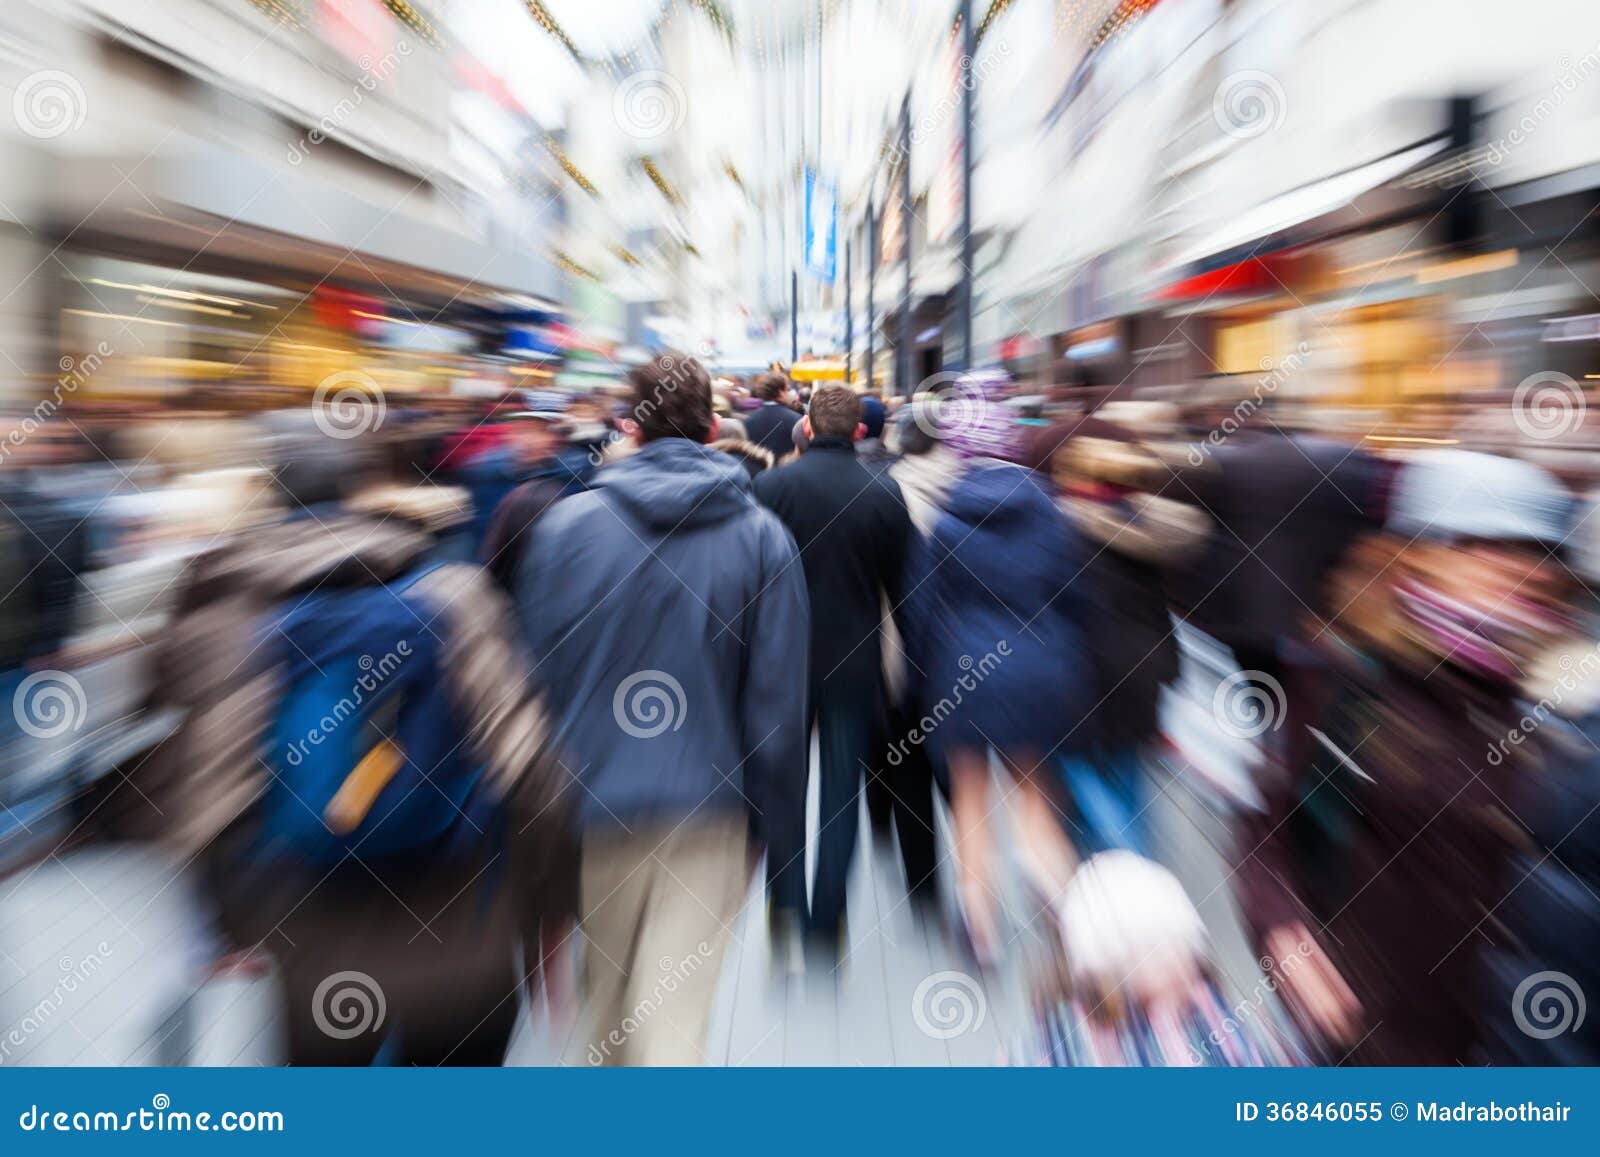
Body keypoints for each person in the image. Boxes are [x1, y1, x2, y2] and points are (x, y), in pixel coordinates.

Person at [151, 411, 572, 1065]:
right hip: (464, 946)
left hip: (317, 951)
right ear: (361, 488)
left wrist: (230, 926)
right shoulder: (455, 597)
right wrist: (546, 914)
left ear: (273, 497)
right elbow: (532, 773)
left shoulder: (242, 615)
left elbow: (208, 803)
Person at [514, 354, 810, 1064]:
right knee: (672, 1026)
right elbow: (778, 704)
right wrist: (773, 826)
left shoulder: (564, 529)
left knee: (605, 1016)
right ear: (712, 427)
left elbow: (532, 682)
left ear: (629, 428)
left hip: (589, 803)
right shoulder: (763, 537)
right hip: (710, 809)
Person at [1237, 449, 1573, 1064]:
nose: (1506, 568)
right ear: (1417, 555)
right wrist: (1285, 933)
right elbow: (1268, 834)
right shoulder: (1352, 683)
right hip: (1371, 1041)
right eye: (1474, 544)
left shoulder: (1567, 706)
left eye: (1525, 551)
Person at [906, 377, 1091, 963]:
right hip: (1038, 670)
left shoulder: (944, 519)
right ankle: (1058, 896)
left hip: (962, 675)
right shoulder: (1049, 511)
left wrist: (922, 685)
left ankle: (980, 926)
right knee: (1034, 794)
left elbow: (923, 614)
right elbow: (1075, 595)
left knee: (968, 798)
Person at [754, 385, 913, 957]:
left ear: (807, 425)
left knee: (784, 788)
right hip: (855, 664)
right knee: (842, 792)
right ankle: (828, 925)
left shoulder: (770, 488)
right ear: (857, 431)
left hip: (781, 664)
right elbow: (904, 591)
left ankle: (784, 906)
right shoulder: (883, 492)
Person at [1025, 418, 1209, 854]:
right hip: (1143, 670)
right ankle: (1137, 874)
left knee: (1077, 771)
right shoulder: (1151, 528)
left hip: (1078, 672)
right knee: (1128, 775)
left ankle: (1124, 871)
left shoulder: (1056, 528)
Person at [479, 412, 586, 592]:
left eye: (541, 431)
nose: (529, 440)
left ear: (554, 439)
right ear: (509, 435)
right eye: (522, 431)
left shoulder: (574, 474)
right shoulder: (488, 472)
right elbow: (483, 530)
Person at [742, 372, 801, 459]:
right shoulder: (796, 419)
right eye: (787, 390)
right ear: (781, 392)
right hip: (787, 469)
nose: (789, 393)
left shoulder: (748, 420)